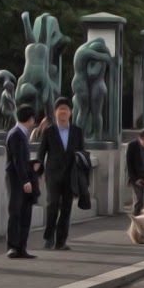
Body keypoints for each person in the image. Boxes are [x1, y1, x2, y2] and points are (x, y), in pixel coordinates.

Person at [35, 98, 84, 250]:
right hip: (53, 175)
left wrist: (82, 170)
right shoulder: (49, 131)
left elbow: (82, 152)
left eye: (66, 109)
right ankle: (49, 237)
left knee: (67, 208)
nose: (63, 112)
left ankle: (61, 241)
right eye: (60, 109)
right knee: (52, 205)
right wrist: (38, 169)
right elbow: (41, 153)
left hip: (70, 174)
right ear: (55, 112)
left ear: (70, 112)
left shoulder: (77, 131)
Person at [3, 105, 42, 259]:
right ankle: (13, 246)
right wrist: (25, 180)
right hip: (17, 180)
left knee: (25, 213)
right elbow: (17, 161)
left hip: (22, 177)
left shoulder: (19, 133)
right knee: (16, 212)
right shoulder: (16, 135)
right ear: (31, 118)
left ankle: (21, 247)